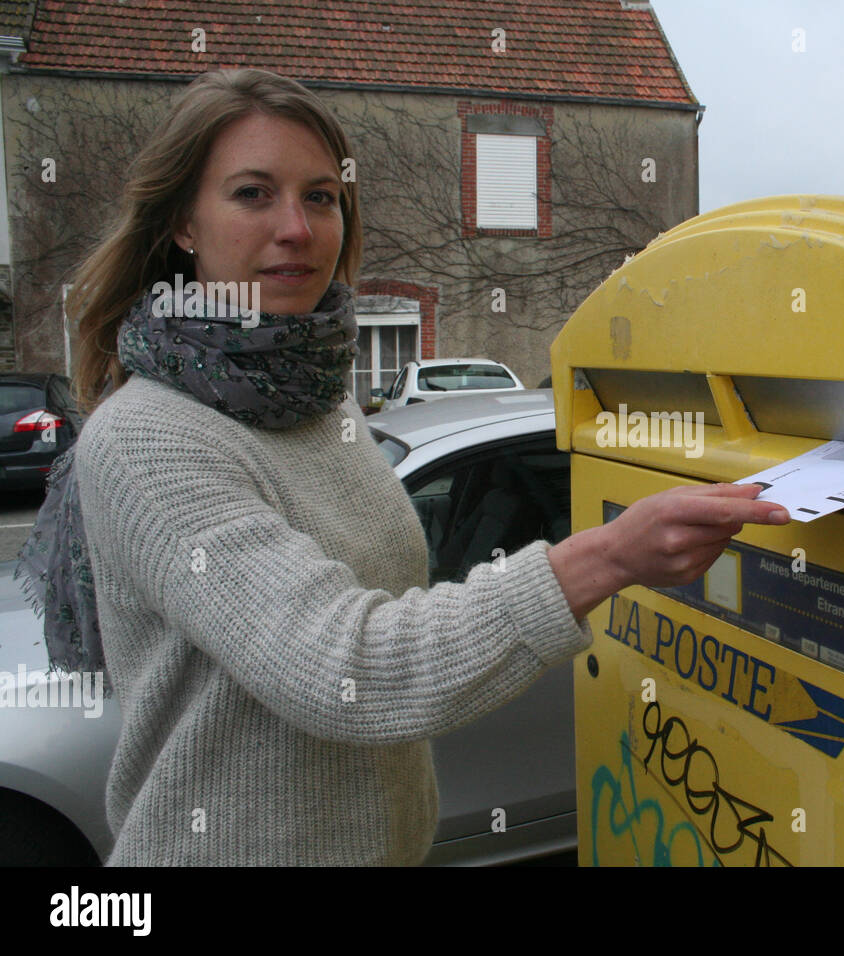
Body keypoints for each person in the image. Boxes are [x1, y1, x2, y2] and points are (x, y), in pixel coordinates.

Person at [14, 68, 788, 866]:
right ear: (182, 222)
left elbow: (381, 602)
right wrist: (608, 556)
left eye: (322, 197)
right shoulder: (151, 436)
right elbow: (343, 665)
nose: (298, 228)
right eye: (253, 194)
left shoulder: (314, 399)